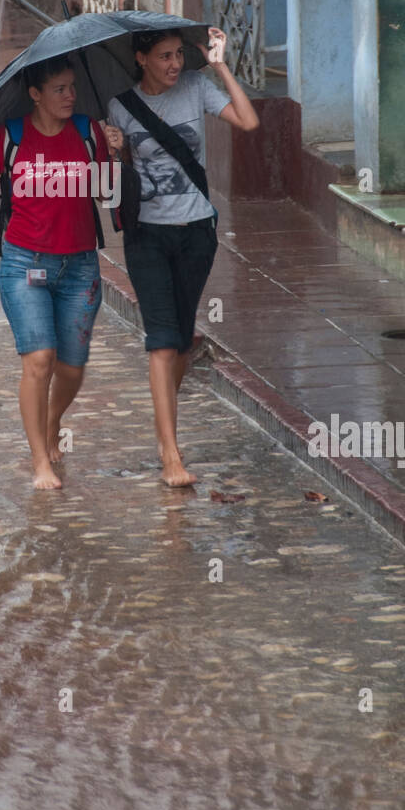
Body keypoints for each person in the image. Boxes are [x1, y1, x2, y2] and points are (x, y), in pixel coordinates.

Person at [103, 27, 259, 487]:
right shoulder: (119, 106)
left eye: (177, 56)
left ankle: (163, 422)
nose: (174, 64)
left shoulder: (195, 88)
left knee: (184, 339)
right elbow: (120, 177)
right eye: (164, 57)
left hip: (196, 233)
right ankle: (171, 454)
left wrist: (219, 66)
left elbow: (248, 121)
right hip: (146, 233)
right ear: (141, 58)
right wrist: (116, 151)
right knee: (162, 339)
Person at [0, 57, 111, 490]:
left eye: (72, 87)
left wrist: (113, 151)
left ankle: (52, 418)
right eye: (58, 89)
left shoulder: (87, 130)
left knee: (72, 368)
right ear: (35, 95)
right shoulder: (12, 135)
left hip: (80, 267)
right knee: (40, 361)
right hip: (25, 266)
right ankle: (41, 461)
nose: (69, 96)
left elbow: (106, 195)